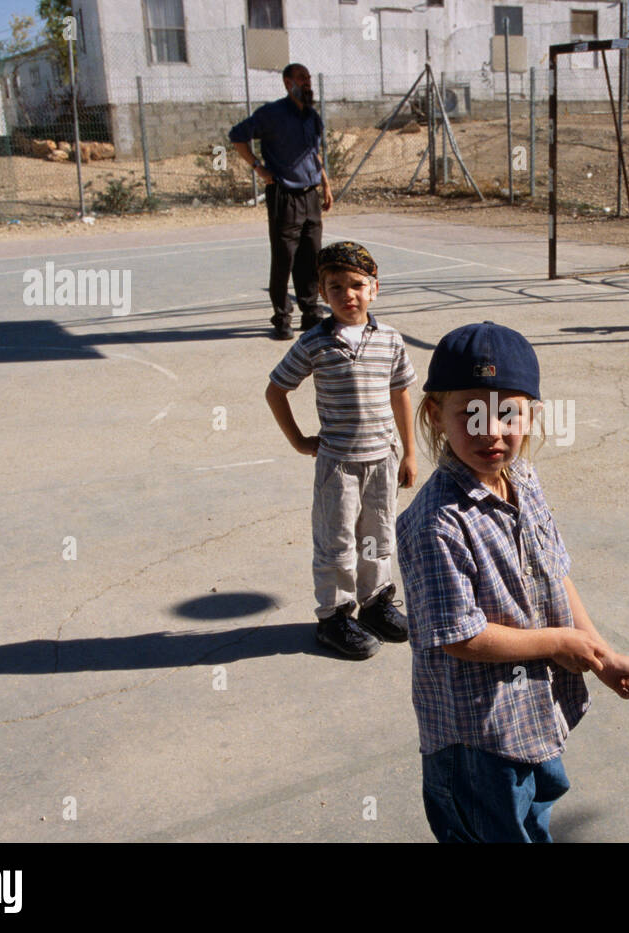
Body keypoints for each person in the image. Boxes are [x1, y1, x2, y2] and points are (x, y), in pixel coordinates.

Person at [396, 321, 629, 843]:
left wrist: (602, 657)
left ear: (532, 414)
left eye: (508, 413)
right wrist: (558, 642)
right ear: (436, 416)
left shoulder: (525, 479)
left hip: (535, 717)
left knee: (534, 824)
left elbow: (555, 575)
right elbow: (462, 636)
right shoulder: (435, 523)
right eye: (470, 413)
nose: (491, 432)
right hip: (477, 742)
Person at [264, 241, 418, 659]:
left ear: (374, 289)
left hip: (382, 459)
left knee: (378, 535)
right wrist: (298, 440)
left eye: (356, 285)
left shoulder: (389, 340)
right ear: (321, 293)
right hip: (339, 465)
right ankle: (334, 617)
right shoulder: (315, 342)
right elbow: (276, 389)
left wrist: (409, 452)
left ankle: (374, 603)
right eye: (335, 287)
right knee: (336, 542)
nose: (347, 294)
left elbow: (401, 392)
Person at [230, 63, 334, 340]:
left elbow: (314, 153)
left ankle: (311, 314)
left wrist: (325, 183)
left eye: (309, 78)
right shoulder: (271, 114)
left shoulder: (312, 116)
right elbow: (236, 136)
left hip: (310, 194)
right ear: (288, 83)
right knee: (284, 259)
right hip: (284, 196)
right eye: (302, 78)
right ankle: (282, 318)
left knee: (311, 257)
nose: (308, 83)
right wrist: (258, 168)